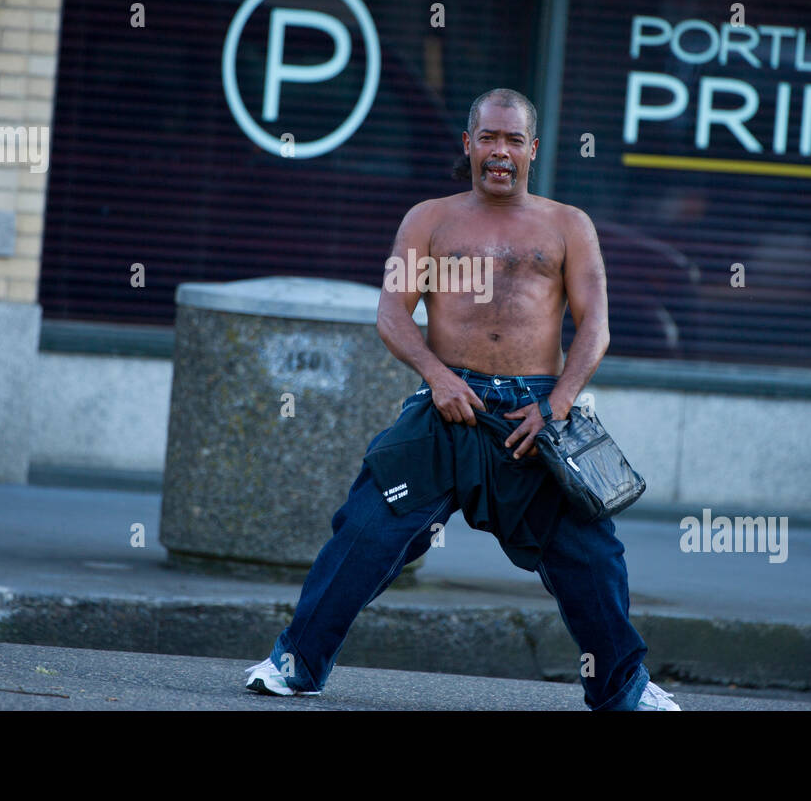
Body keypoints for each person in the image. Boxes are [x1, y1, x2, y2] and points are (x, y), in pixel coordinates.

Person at [245, 88, 680, 711]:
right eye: (487, 138)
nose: (498, 152)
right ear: (468, 144)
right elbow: (392, 314)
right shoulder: (429, 219)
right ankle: (297, 663)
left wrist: (556, 404)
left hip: (534, 416)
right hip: (448, 402)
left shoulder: (568, 225)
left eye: (512, 140)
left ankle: (623, 689)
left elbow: (596, 328)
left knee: (592, 556)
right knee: (366, 529)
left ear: (532, 149)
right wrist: (436, 375)